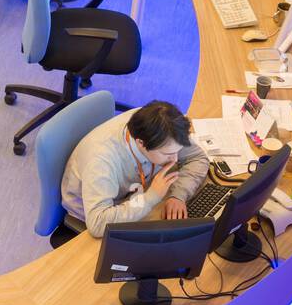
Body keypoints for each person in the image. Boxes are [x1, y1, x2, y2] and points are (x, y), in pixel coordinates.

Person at [61, 101, 210, 239]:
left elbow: (197, 158)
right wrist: (150, 198)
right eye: (168, 154)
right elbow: (98, 223)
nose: (175, 159)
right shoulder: (101, 160)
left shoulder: (164, 127)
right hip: (100, 212)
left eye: (178, 151)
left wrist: (178, 195)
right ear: (141, 143)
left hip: (137, 194)